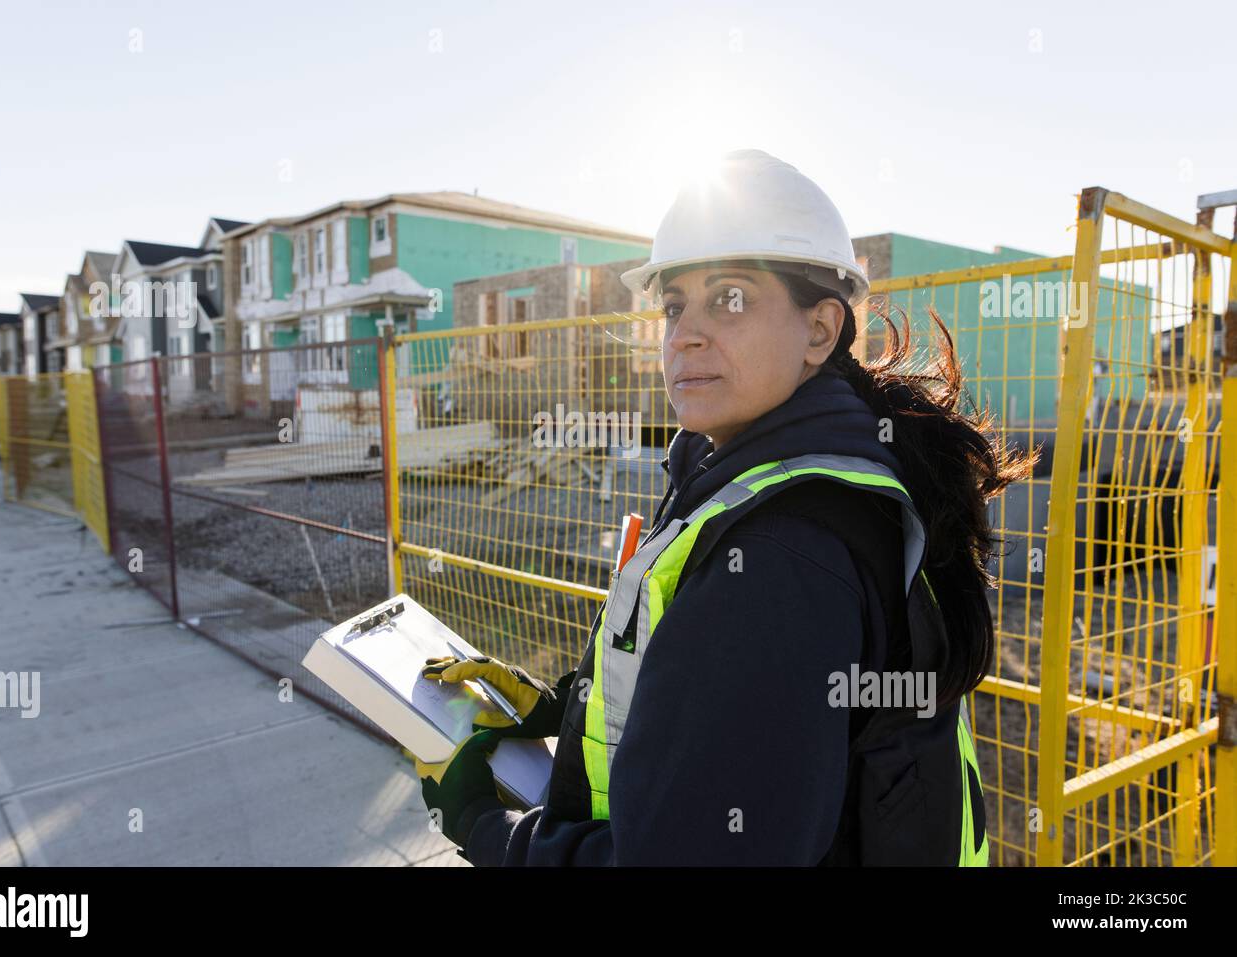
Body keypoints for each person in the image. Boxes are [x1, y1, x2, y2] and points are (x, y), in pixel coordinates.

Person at [414, 149, 1036, 865]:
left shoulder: (781, 556)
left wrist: (483, 826)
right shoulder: (812, 475)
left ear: (820, 330)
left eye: (730, 298)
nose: (685, 334)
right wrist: (568, 705)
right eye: (675, 305)